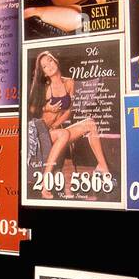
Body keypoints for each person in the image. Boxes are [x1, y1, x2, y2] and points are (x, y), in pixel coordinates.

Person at [26, 51, 111, 199]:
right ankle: (45, 182)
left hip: (55, 131)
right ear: (44, 73)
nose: (49, 66)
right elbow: (31, 109)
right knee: (64, 133)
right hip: (40, 132)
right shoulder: (44, 87)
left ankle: (103, 167)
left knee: (90, 124)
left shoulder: (70, 83)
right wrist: (47, 108)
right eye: (44, 66)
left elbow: (69, 111)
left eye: (50, 61)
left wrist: (56, 125)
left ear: (56, 61)